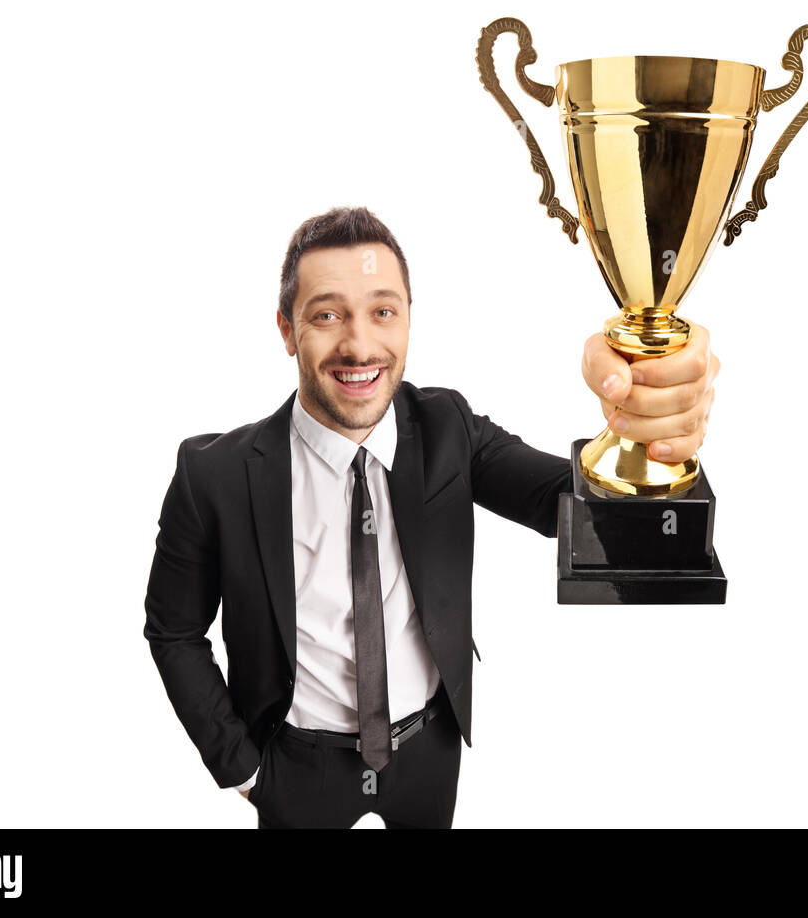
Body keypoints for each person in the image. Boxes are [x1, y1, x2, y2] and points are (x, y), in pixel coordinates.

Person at [142, 206, 720, 828]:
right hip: (294, 766)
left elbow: (574, 508)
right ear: (287, 330)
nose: (359, 345)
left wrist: (642, 426)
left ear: (409, 321)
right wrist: (245, 770)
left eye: (382, 311)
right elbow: (173, 632)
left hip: (428, 752)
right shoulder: (215, 477)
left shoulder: (449, 431)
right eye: (327, 314)